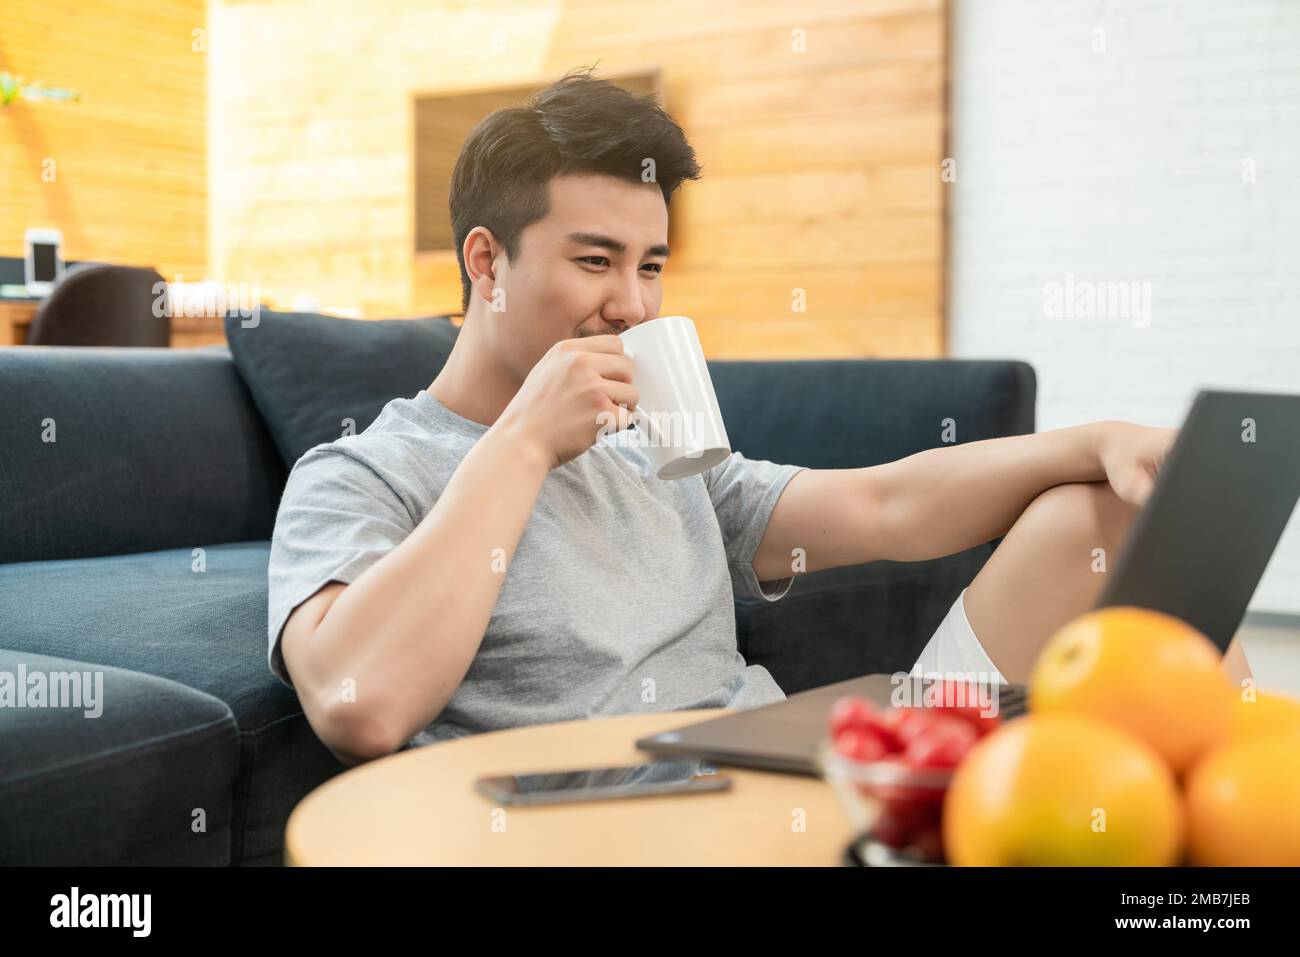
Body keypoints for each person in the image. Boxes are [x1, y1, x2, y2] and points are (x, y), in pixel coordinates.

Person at [266, 67, 1250, 767]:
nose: (634, 305)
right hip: (615, 826)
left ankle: (1247, 810)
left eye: (650, 265)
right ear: (486, 263)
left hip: (795, 773)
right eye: (594, 259)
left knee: (1098, 518)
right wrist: (522, 442)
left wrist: (1096, 440)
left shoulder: (655, 450)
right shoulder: (360, 475)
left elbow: (887, 508)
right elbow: (362, 707)